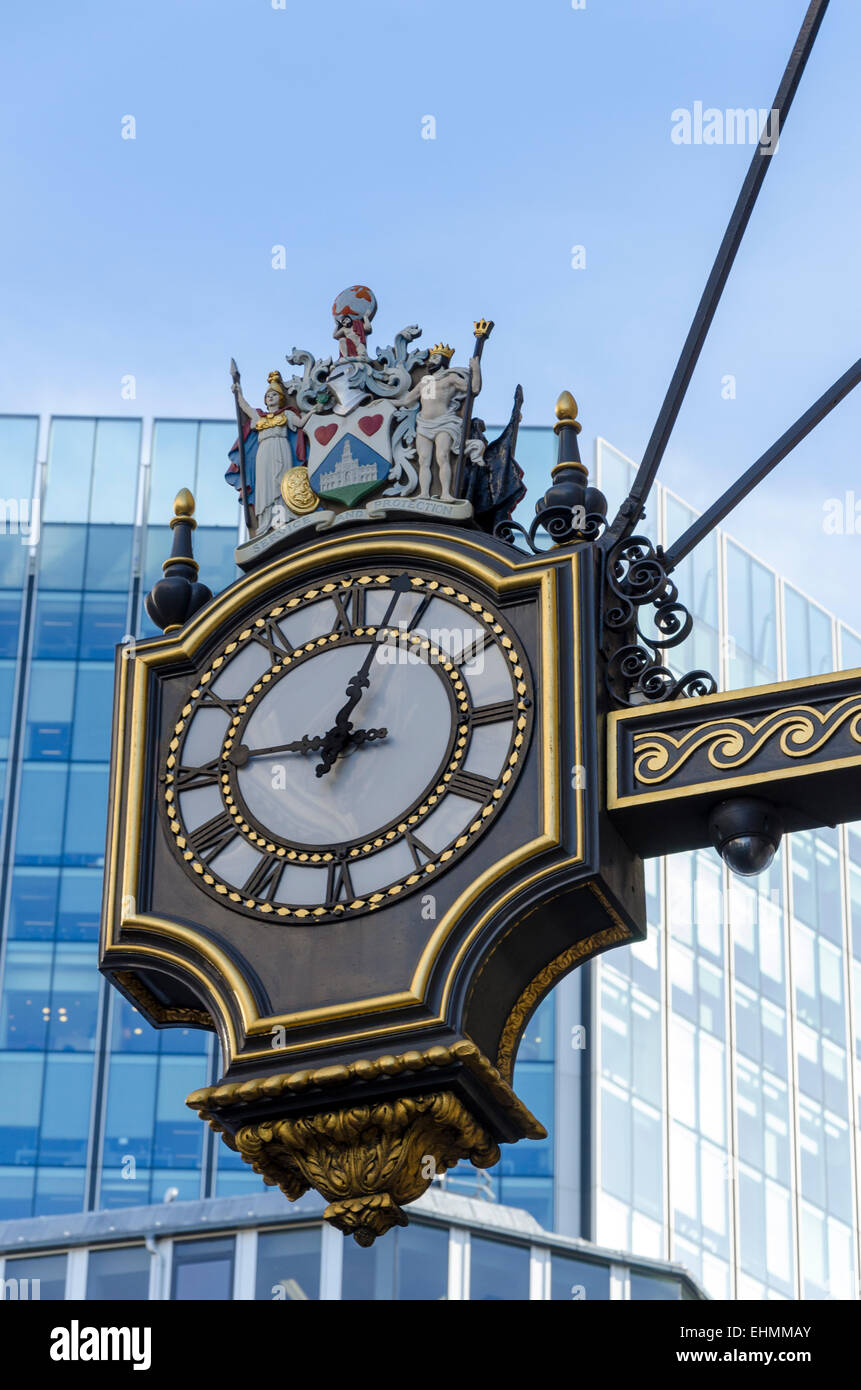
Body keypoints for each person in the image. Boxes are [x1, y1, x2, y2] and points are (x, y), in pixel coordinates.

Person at [227, 371, 311, 534]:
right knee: (264, 484)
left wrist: (315, 410)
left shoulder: (287, 414)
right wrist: (238, 392)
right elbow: (244, 406)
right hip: (264, 451)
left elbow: (301, 422)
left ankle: (284, 516)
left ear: (280, 397)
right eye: (268, 396)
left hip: (280, 447)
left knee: (280, 481)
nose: (270, 398)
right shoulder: (259, 416)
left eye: (274, 395)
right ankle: (265, 521)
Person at [399, 345, 482, 502]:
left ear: (444, 361)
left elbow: (474, 389)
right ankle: (424, 493)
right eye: (431, 359)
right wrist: (385, 402)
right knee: (424, 459)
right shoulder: (426, 382)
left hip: (444, 422)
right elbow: (407, 400)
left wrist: (476, 369)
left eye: (435, 358)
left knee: (442, 456)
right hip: (423, 424)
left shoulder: (450, 379)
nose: (431, 362)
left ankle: (445, 493)